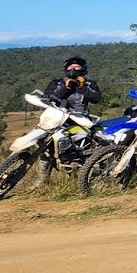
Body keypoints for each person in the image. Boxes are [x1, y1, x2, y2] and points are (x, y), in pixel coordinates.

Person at [33, 56, 102, 187]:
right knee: (44, 145)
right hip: (57, 119)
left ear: (83, 69)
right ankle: (42, 179)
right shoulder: (57, 83)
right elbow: (48, 97)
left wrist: (82, 87)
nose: (73, 69)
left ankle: (86, 175)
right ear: (66, 68)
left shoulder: (90, 84)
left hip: (81, 120)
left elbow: (96, 98)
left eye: (77, 67)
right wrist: (66, 87)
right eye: (70, 66)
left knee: (87, 146)